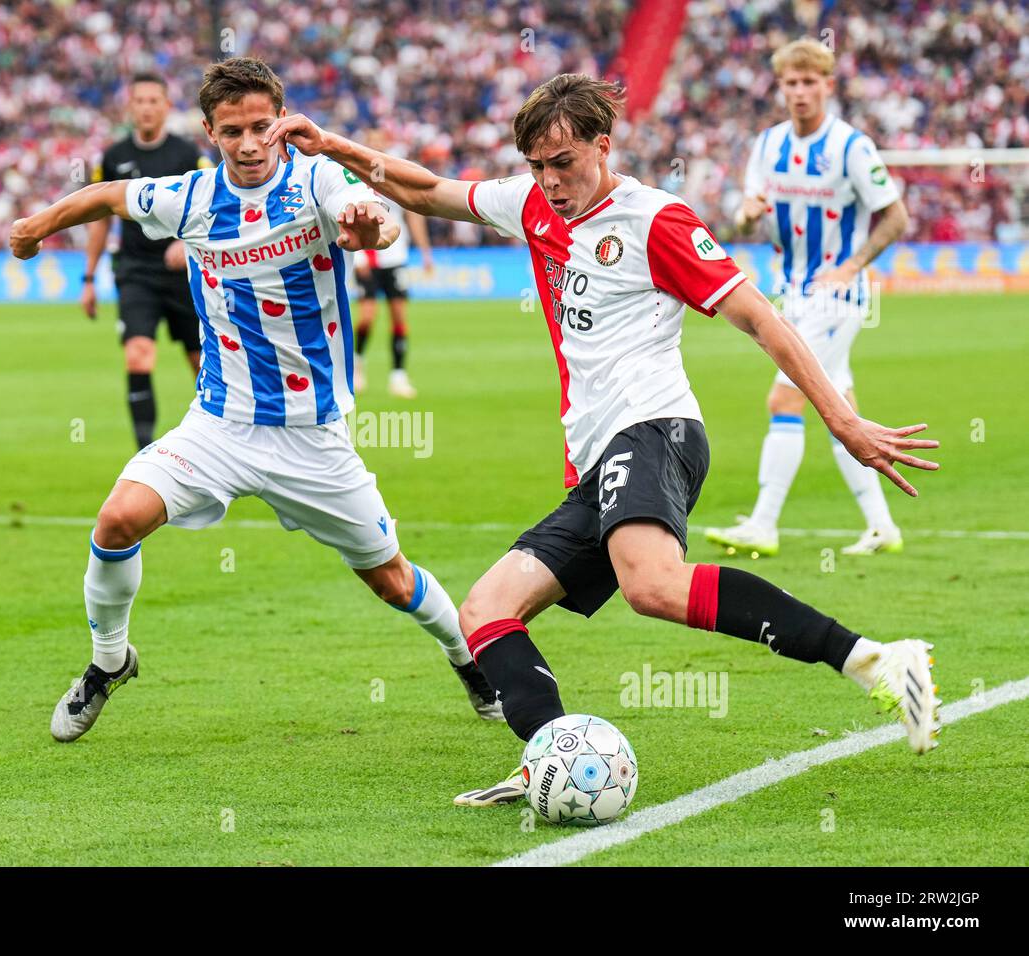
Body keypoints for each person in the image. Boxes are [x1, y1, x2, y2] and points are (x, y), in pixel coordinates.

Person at [261, 72, 941, 808]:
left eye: (564, 164)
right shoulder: (529, 204)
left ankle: (872, 659)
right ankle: (550, 756)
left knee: (651, 585)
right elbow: (426, 190)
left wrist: (843, 419)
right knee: (484, 611)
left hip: (654, 429)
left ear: (602, 147)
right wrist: (333, 147)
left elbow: (759, 317)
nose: (550, 183)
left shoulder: (657, 221)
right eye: (536, 167)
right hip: (598, 457)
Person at [10, 58, 502, 742]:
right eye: (233, 130)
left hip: (312, 434)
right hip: (219, 425)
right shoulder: (189, 197)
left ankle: (468, 659)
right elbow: (106, 197)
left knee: (391, 580)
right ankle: (108, 663)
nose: (249, 143)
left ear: (282, 122)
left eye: (262, 127)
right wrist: (36, 226)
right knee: (117, 520)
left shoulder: (316, 179)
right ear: (209, 131)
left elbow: (373, 223)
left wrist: (367, 228)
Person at [706, 39, 912, 558]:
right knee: (842, 407)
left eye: (808, 82)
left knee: (786, 397)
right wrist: (747, 212)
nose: (799, 92)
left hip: (836, 297)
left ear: (828, 85)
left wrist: (850, 266)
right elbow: (745, 213)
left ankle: (763, 523)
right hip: (791, 293)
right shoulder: (768, 145)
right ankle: (881, 524)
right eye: (790, 83)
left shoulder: (851, 147)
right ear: (780, 88)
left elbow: (896, 216)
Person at [83, 74, 210, 449]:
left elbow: (212, 207)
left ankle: (215, 444)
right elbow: (100, 220)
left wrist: (185, 242)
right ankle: (144, 453)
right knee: (138, 357)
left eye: (155, 100)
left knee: (201, 365)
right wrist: (88, 279)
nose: (147, 107)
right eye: (140, 101)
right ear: (130, 107)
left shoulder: (189, 155)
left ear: (167, 106)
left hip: (184, 274)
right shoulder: (113, 157)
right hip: (136, 272)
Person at [351, 133, 435, 398]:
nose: (376, 148)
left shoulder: (396, 174)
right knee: (367, 317)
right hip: (368, 257)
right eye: (372, 144)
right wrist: (359, 257)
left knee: (399, 316)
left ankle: (398, 376)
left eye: (380, 144)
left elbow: (413, 215)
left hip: (395, 257)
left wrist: (425, 252)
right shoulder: (356, 175)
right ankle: (357, 366)